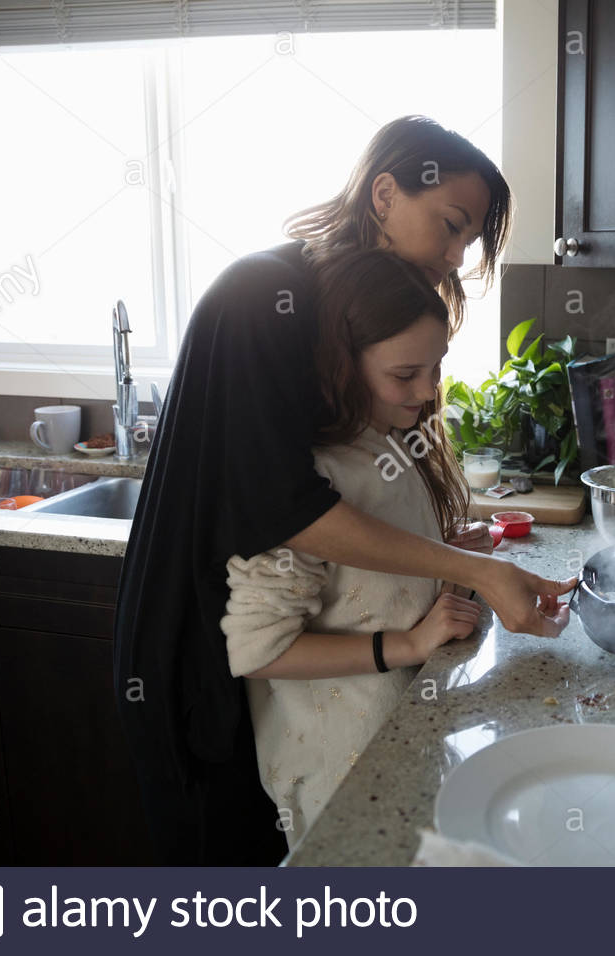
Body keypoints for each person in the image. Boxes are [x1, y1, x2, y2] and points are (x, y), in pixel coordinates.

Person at [114, 116, 576, 864]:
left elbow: (345, 499)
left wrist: (446, 556)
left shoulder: (337, 304)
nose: (455, 256)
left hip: (276, 659)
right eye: (451, 226)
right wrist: (476, 571)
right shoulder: (264, 295)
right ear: (384, 192)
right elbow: (284, 509)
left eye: (469, 243)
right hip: (192, 643)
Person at [222, 249, 480, 851]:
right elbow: (257, 650)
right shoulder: (308, 485)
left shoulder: (385, 441)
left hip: (396, 731)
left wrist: (445, 561)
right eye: (405, 374)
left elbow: (372, 580)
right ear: (342, 363)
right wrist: (411, 644)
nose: (428, 391)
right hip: (337, 763)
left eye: (436, 368)